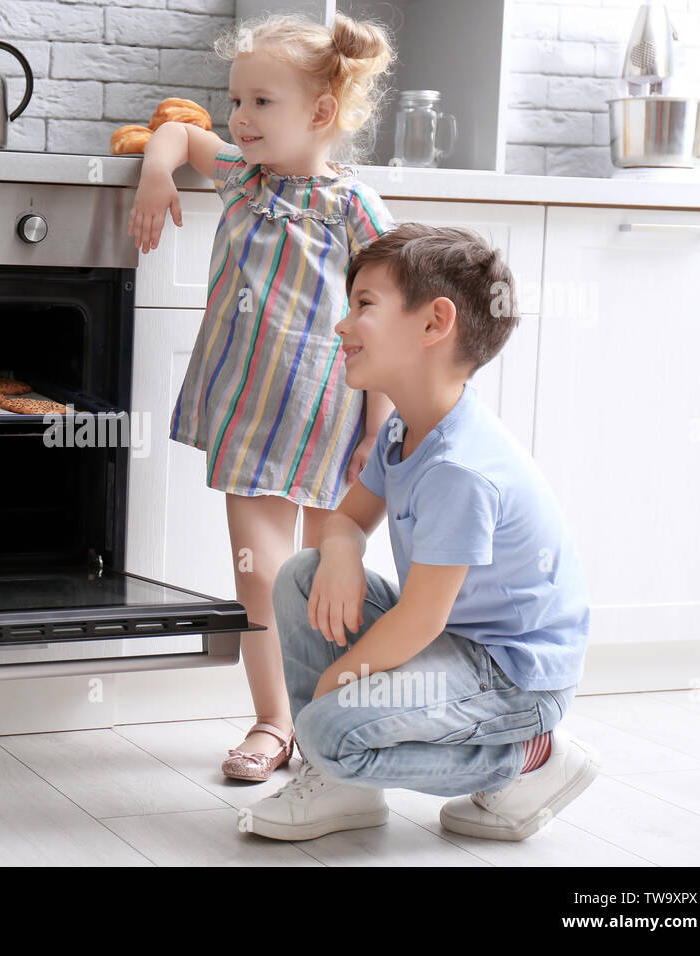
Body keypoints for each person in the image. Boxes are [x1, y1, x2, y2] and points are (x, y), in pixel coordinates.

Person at [245, 222, 600, 842]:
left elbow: (422, 619)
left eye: (364, 306)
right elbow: (348, 519)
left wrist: (337, 686)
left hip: (513, 679)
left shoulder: (460, 468)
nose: (342, 325)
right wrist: (340, 550)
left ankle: (531, 759)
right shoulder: (405, 428)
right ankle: (344, 783)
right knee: (305, 577)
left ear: (435, 324)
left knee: (329, 725)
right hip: (457, 643)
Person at [128, 12, 398, 780]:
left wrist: (379, 426)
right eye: (236, 100)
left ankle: (327, 727)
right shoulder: (242, 180)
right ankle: (272, 723)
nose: (239, 119)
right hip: (247, 419)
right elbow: (180, 135)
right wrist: (155, 172)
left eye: (260, 103)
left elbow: (387, 321)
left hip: (334, 422)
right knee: (258, 578)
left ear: (320, 113)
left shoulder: (356, 210)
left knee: (325, 586)